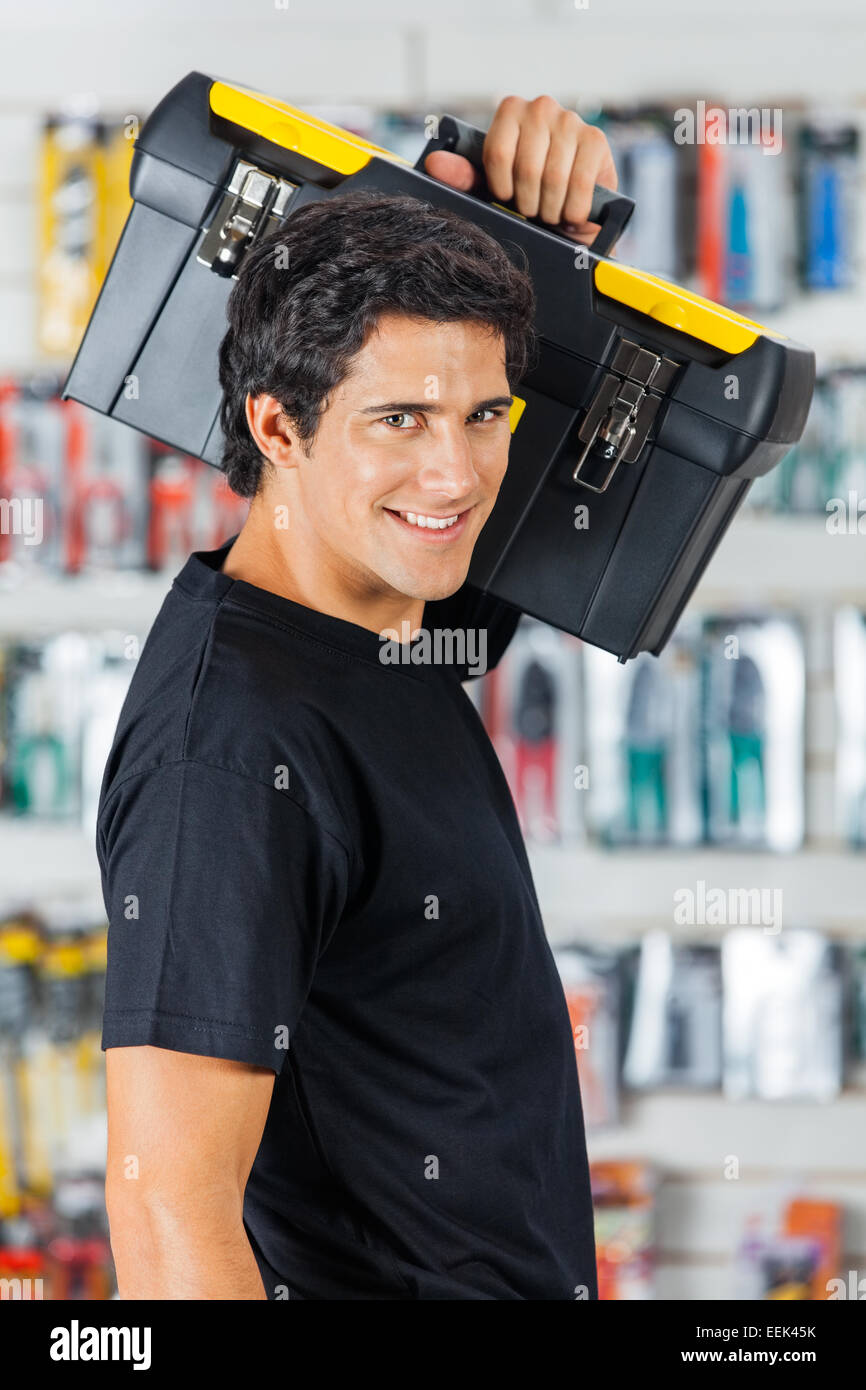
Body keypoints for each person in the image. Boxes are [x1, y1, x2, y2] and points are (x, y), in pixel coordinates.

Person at [101, 94, 618, 1300]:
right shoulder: (227, 756)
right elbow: (167, 1219)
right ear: (278, 427)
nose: (457, 475)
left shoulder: (386, 610)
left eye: (484, 414)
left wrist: (543, 232)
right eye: (400, 420)